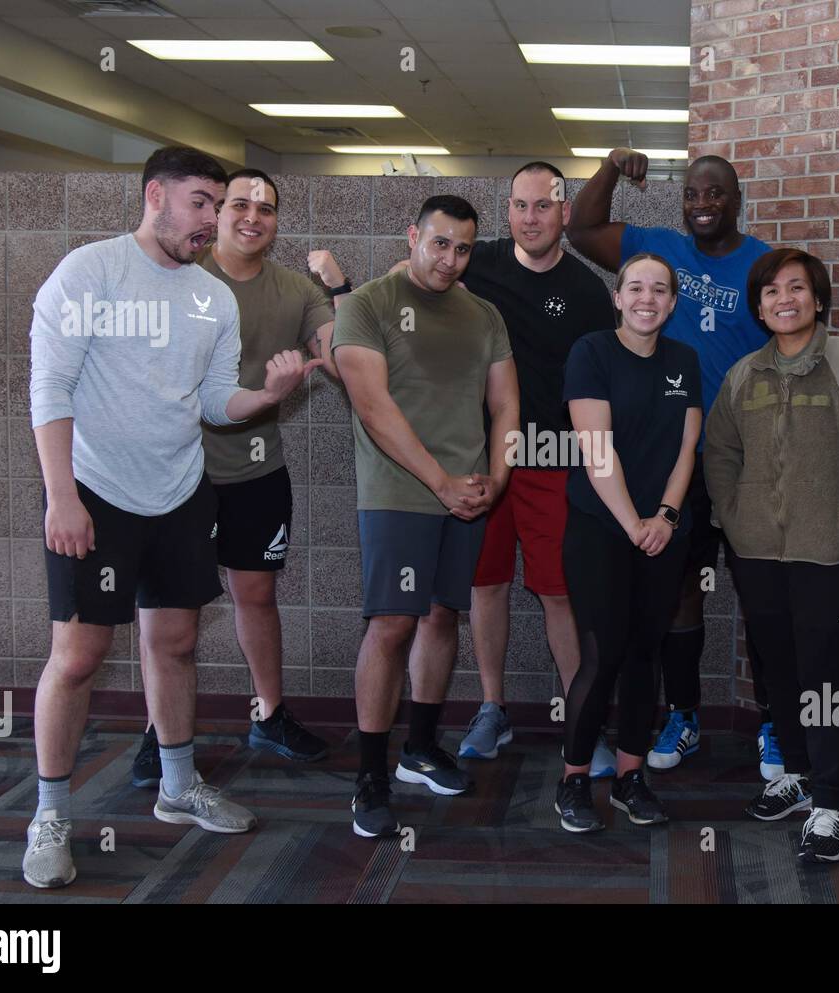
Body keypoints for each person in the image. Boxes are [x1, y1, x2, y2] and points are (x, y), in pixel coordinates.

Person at [23, 146, 320, 888]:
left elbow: (217, 401)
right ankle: (50, 813)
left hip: (181, 489)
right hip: (94, 490)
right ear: (155, 195)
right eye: (201, 203)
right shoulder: (88, 274)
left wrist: (269, 394)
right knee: (80, 655)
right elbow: (50, 390)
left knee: (176, 641)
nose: (214, 220)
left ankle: (178, 786)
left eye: (219, 205)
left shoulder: (209, 297)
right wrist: (62, 495)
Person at [130, 168, 348, 787]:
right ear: (218, 212)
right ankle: (159, 731)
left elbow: (342, 360)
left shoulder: (295, 291)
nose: (253, 216)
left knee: (256, 595)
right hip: (178, 474)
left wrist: (341, 288)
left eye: (267, 208)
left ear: (277, 223)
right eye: (239, 204)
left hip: (258, 470)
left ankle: (269, 715)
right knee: (172, 611)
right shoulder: (179, 277)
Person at [568, 149, 779, 776]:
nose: (703, 204)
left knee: (762, 589)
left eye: (715, 194)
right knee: (680, 591)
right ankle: (683, 715)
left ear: (736, 199)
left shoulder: (762, 263)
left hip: (743, 458)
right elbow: (580, 229)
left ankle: (774, 722)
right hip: (674, 466)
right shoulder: (657, 251)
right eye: (692, 194)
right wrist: (609, 167)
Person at [705, 249, 839, 863]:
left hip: (833, 556)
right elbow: (719, 452)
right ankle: (795, 773)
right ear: (759, 305)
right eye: (770, 291)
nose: (783, 299)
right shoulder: (744, 374)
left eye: (796, 288)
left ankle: (828, 801)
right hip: (759, 553)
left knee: (825, 678)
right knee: (779, 670)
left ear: (818, 299)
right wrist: (734, 521)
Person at [332, 195, 519, 838]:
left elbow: (506, 407)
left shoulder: (484, 314)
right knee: (391, 625)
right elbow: (372, 406)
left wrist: (494, 480)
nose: (450, 260)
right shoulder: (368, 305)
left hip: (465, 495)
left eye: (463, 248)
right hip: (401, 493)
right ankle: (371, 777)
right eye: (439, 244)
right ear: (413, 236)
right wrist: (440, 483)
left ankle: (419, 747)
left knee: (444, 615)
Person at [451, 162, 618, 775]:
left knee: (558, 594)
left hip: (554, 461)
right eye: (520, 206)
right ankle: (492, 708)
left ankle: (583, 721)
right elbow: (410, 278)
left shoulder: (588, 291)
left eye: (543, 206)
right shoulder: (479, 262)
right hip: (482, 458)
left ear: (565, 213)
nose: (530, 218)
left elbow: (606, 386)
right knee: (485, 584)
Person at [554, 253, 702, 833]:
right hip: (601, 529)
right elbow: (597, 451)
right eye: (635, 287)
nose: (647, 298)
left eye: (660, 290)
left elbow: (687, 450)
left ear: (671, 302)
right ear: (618, 297)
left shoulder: (684, 360)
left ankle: (629, 778)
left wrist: (664, 516)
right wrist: (633, 522)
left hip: (666, 532)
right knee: (603, 654)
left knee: (646, 654)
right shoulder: (590, 352)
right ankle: (572, 781)